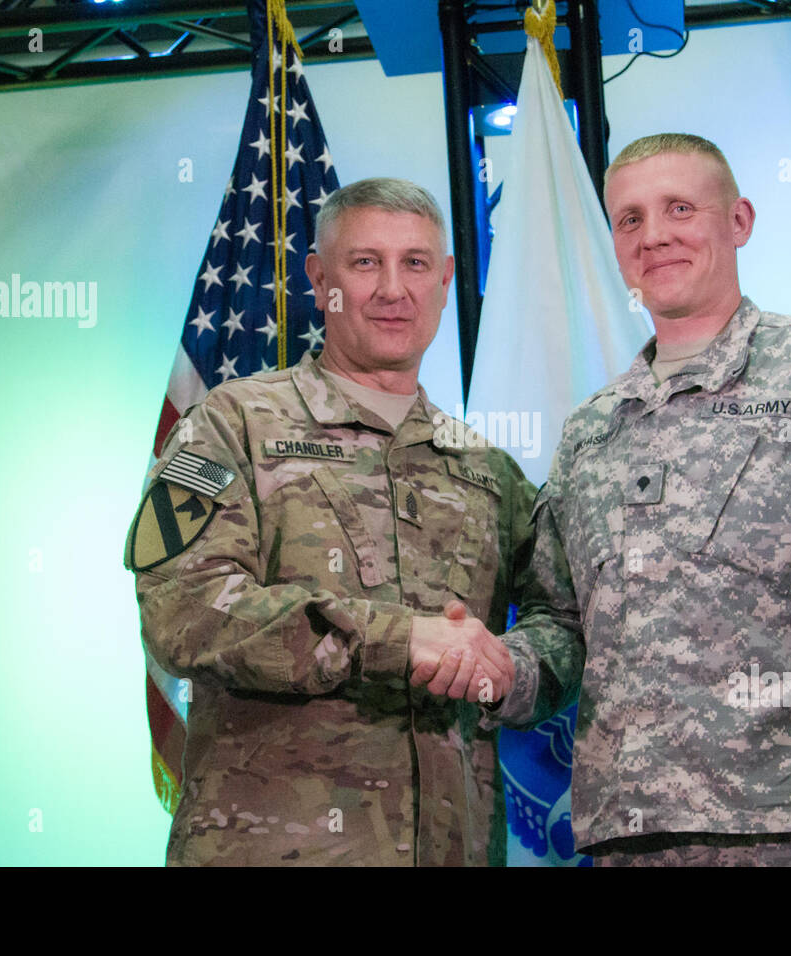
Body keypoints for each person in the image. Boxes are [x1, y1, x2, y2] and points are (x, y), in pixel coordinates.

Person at [425, 133, 791, 866]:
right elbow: (563, 624)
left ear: (739, 221)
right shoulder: (592, 431)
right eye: (629, 219)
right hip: (627, 838)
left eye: (679, 208)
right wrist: (506, 668)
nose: (653, 235)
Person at [124, 177, 534, 866]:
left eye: (415, 263)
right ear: (320, 280)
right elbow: (182, 612)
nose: (393, 289)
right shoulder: (230, 426)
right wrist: (400, 640)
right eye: (365, 262)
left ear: (446, 280)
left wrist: (511, 668)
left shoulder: (486, 468)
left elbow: (563, 617)